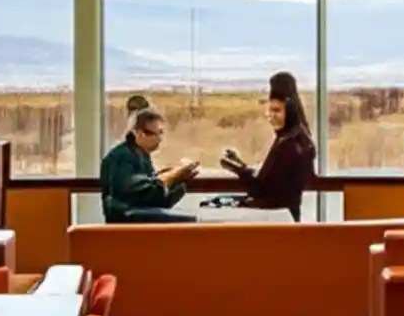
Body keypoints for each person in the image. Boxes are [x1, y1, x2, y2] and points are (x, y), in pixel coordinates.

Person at [219, 71, 316, 222]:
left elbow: (262, 189)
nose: (270, 116)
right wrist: (241, 166)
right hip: (285, 215)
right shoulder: (298, 138)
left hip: (276, 217)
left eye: (276, 110)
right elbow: (271, 179)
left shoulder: (289, 144)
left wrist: (236, 168)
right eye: (270, 110)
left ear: (289, 109)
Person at [100, 108, 197, 223]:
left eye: (161, 133)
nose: (160, 139)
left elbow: (159, 200)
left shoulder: (140, 155)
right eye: (156, 134)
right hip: (127, 222)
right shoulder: (121, 157)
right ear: (139, 133)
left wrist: (181, 182)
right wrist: (174, 173)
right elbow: (140, 190)